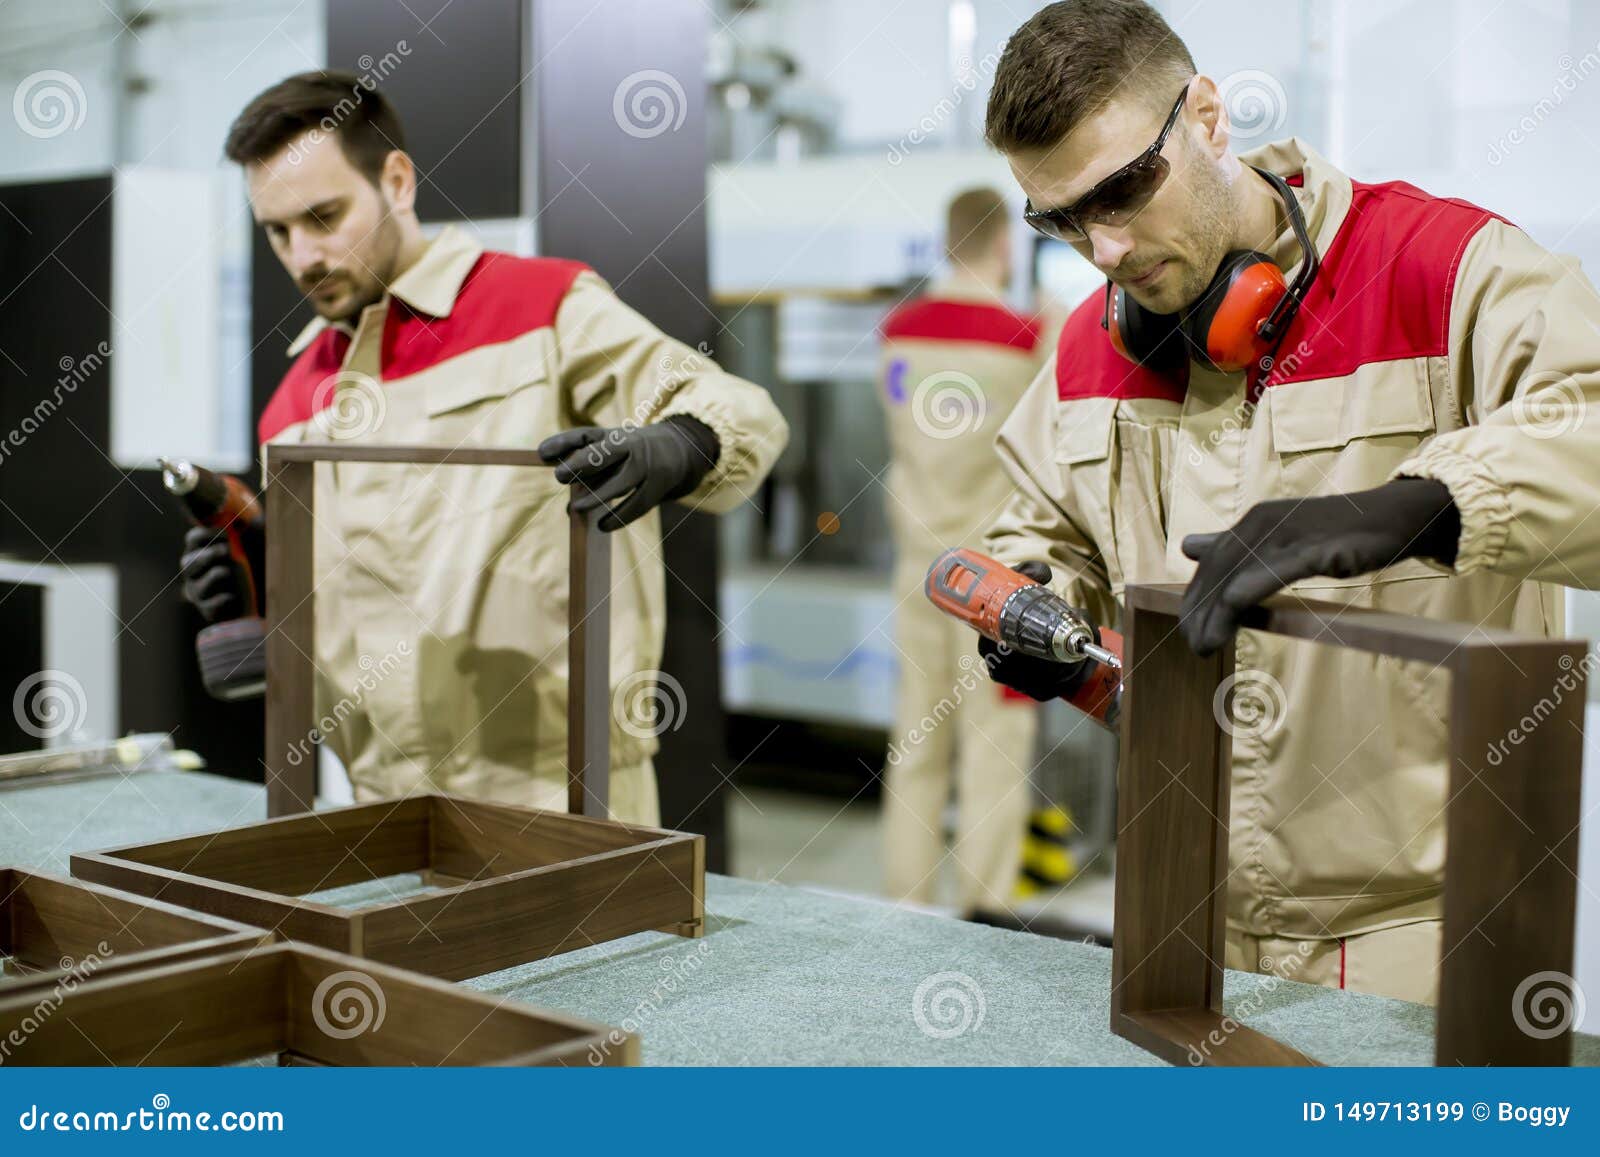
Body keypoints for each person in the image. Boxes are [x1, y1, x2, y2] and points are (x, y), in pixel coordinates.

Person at [977, 0, 1600, 1003]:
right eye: (1061, 219)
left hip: (1419, 925)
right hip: (1177, 901)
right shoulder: (1095, 344)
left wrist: (1428, 501)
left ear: (1210, 118)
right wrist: (1039, 598)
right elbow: (1040, 528)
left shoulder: (1441, 269)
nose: (1101, 251)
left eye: (1124, 190)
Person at [180, 71, 788, 825]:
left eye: (325, 216)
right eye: (278, 231)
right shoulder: (296, 405)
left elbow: (739, 409)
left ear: (396, 181)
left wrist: (679, 442)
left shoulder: (541, 307)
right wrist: (265, 595)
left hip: (566, 797)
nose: (303, 256)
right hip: (383, 808)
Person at [878, 188, 1052, 919]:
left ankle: (904, 906)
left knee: (915, 742)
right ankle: (984, 914)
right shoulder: (1025, 335)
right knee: (994, 747)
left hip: (915, 567)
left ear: (947, 241)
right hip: (991, 582)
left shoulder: (897, 333)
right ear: (1004, 245)